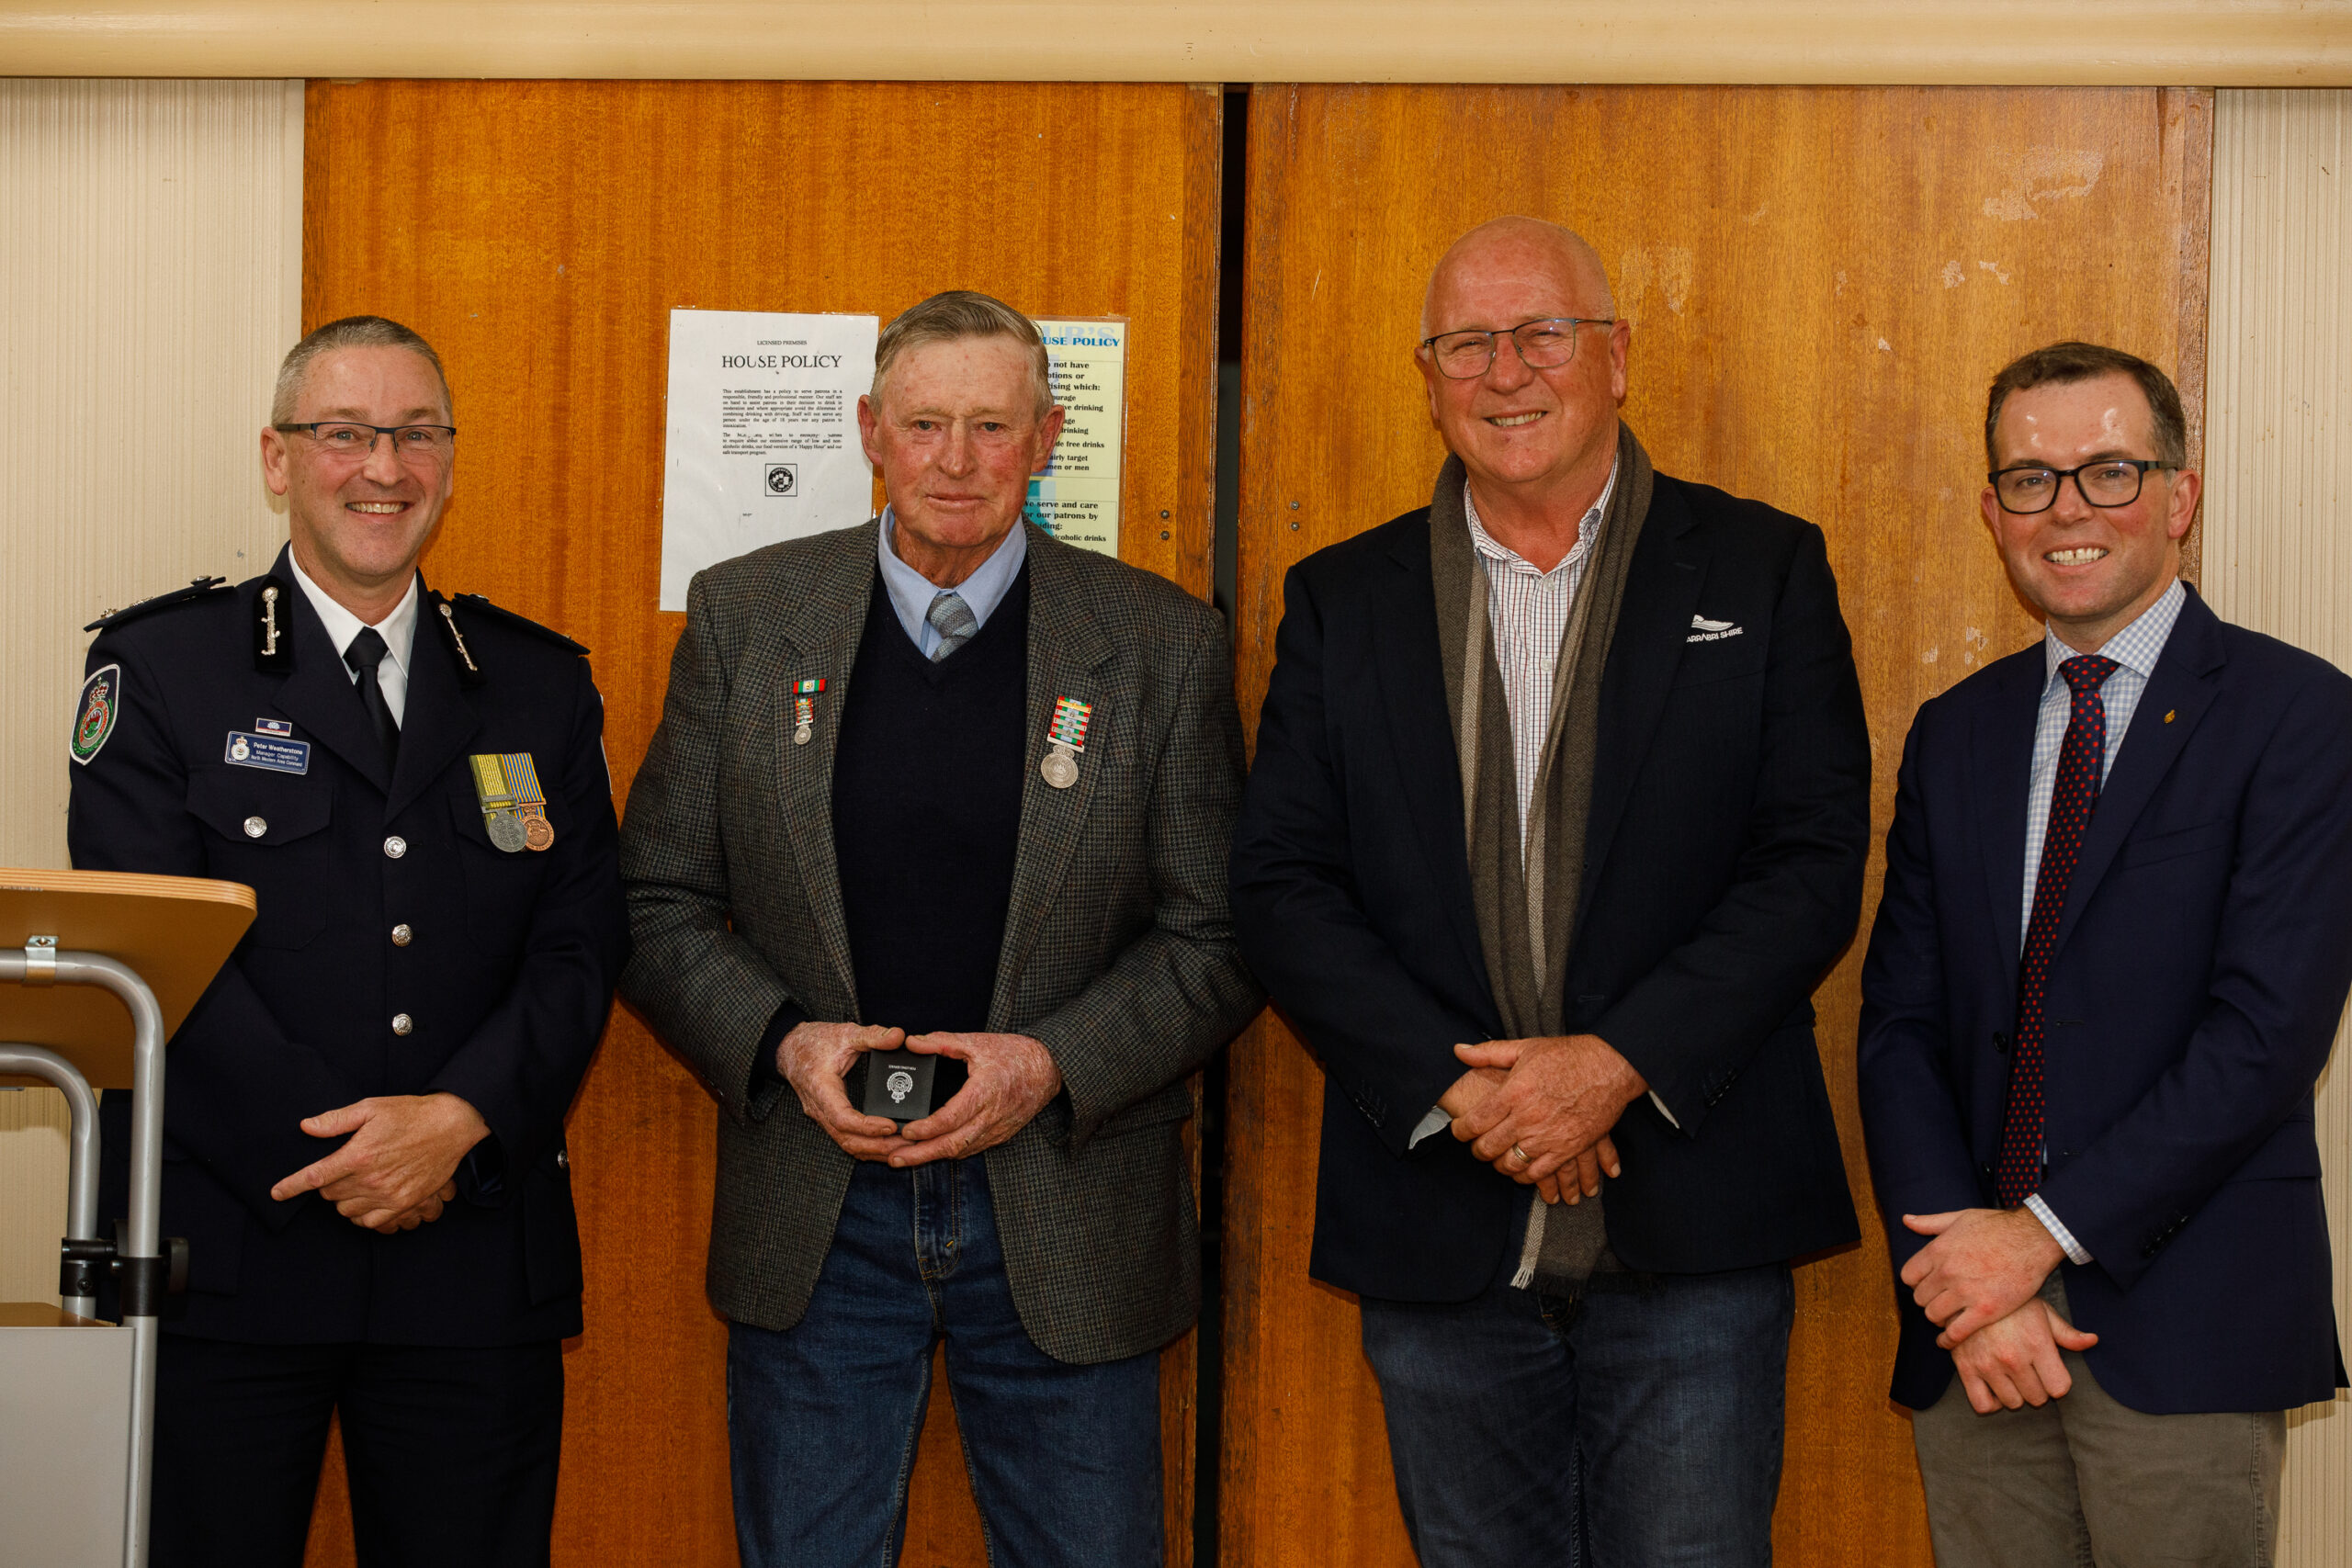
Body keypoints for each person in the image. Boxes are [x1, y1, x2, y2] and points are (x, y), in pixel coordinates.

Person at [1228, 216, 1871, 1565]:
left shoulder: (1761, 569)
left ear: (1616, 356)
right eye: (1468, 342)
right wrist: (1476, 1095)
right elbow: (1282, 884)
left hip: (1695, 1224)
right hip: (1440, 1226)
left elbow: (1809, 865)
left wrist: (1616, 1065)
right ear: (1429, 372)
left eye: (1544, 334)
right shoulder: (1345, 598)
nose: (1507, 372)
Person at [618, 289, 1259, 1568]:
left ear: (1046, 436)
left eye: (989, 426)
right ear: (868, 430)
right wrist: (787, 1044)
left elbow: (1220, 935)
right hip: (821, 1208)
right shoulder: (747, 619)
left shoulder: (1158, 643)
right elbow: (656, 902)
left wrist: (1053, 1065)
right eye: (924, 424)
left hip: (1066, 1205)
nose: (956, 461)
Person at [66, 314, 628, 1567]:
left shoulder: (537, 684)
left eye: (416, 433)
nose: (385, 467)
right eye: (346, 434)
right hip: (228, 1254)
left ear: (448, 456)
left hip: (470, 1252)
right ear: (278, 459)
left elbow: (582, 943)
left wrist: (456, 1123)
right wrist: (356, 1160)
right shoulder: (163, 670)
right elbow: (150, 948)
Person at [1858, 341, 2352, 1567]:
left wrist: (2039, 1237)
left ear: (2180, 497)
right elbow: (1902, 1026)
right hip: (1975, 1330)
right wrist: (1965, 1270)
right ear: (1992, 511)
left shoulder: (2300, 716)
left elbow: (2267, 1034)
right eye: (2030, 479)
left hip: (2182, 1327)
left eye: (2108, 472)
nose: (2067, 510)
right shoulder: (1956, 734)